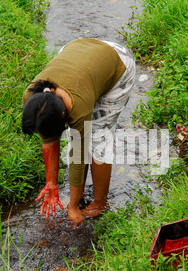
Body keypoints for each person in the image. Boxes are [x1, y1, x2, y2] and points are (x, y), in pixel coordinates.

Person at [21, 38, 136, 226]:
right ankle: (79, 193)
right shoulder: (33, 97)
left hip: (118, 64)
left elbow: (78, 157)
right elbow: (49, 138)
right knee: (73, 139)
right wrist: (51, 183)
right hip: (83, 51)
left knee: (98, 141)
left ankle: (100, 202)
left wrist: (72, 207)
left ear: (65, 115)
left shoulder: (78, 109)